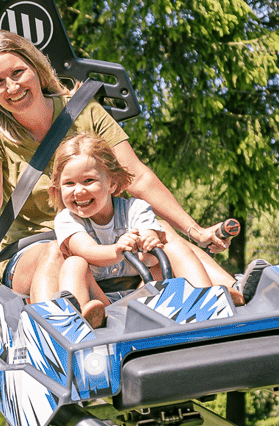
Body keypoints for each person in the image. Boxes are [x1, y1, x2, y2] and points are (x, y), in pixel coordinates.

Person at [0, 29, 243, 301]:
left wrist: (195, 231)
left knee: (163, 235)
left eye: (17, 73)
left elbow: (137, 177)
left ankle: (233, 294)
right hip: (36, 246)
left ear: (35, 68)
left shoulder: (84, 112)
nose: (11, 87)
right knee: (58, 252)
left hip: (102, 238)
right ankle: (55, 332)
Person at [49, 133, 217, 327]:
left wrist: (148, 244)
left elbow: (150, 255)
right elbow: (86, 250)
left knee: (173, 248)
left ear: (111, 183)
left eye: (88, 180)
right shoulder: (67, 219)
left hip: (140, 295)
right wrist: (117, 250)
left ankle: (207, 300)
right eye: (69, 183)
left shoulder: (135, 209)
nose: (78, 190)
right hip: (100, 302)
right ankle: (77, 321)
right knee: (74, 263)